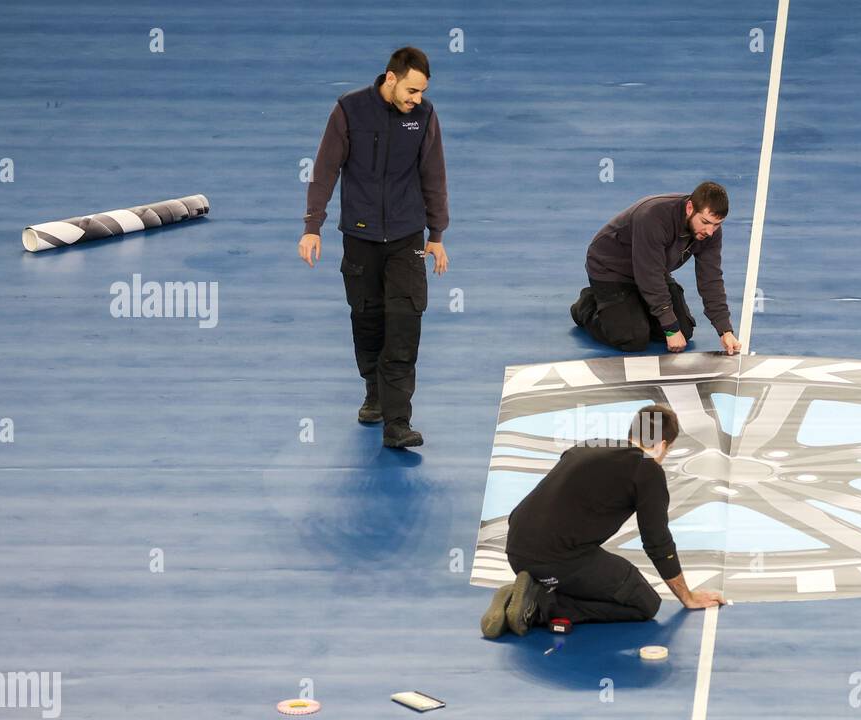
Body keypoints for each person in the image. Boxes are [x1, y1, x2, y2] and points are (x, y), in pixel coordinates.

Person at [298, 47, 450, 449]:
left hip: (406, 239)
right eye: (411, 90)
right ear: (390, 78)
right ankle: (374, 393)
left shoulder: (424, 116)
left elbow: (433, 174)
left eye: (421, 92)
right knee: (366, 319)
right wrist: (312, 226)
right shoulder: (349, 111)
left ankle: (398, 423)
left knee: (404, 323)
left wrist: (437, 235)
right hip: (359, 239)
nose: (416, 99)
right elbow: (325, 168)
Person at [481, 404, 726, 638]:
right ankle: (541, 606)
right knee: (645, 603)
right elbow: (657, 542)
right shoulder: (648, 470)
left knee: (598, 571)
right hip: (556, 558)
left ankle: (535, 589)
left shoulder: (586, 446)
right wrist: (687, 596)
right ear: (662, 445)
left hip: (516, 548)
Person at [571, 182, 742, 356]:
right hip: (611, 269)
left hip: (652, 266)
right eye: (705, 222)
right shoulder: (653, 217)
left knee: (684, 329)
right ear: (690, 208)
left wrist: (724, 330)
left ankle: (632, 306)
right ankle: (587, 304)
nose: (710, 231)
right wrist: (670, 329)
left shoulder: (709, 232)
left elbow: (711, 279)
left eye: (717, 224)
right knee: (633, 337)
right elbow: (649, 276)